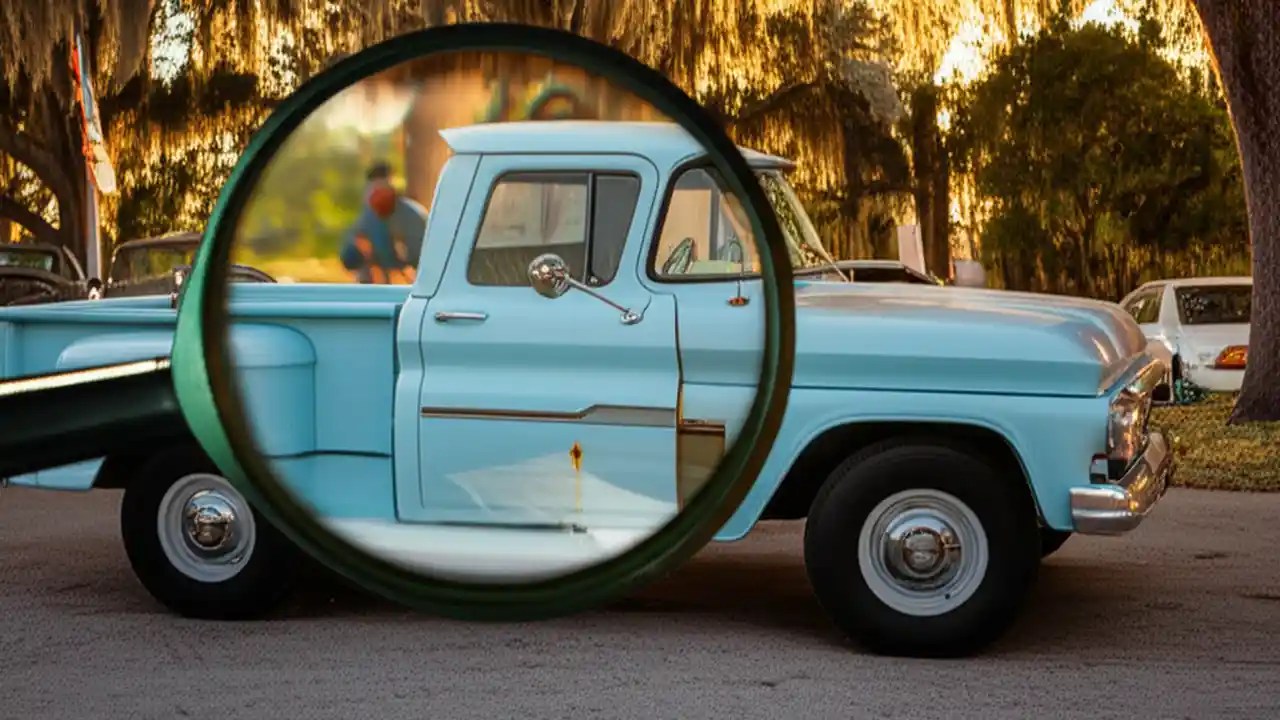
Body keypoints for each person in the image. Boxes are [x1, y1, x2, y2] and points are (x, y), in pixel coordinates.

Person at [340, 162, 428, 284]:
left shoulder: (413, 216)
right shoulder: (369, 217)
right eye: (374, 190)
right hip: (376, 286)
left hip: (408, 284)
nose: (378, 195)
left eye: (382, 189)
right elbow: (348, 258)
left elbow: (422, 259)